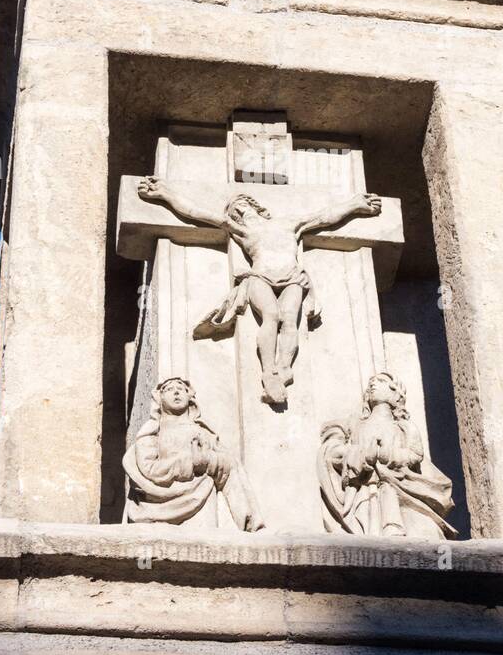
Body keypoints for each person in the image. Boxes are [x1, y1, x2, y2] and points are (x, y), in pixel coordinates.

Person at [138, 176, 381, 404]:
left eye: (242, 206)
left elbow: (324, 217)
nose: (239, 211)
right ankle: (268, 371)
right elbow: (196, 212)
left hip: (293, 277)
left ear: (257, 208)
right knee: (271, 316)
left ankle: (285, 369)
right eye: (235, 211)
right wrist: (165, 194)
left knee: (289, 319)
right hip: (260, 277)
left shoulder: (289, 224)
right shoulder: (242, 231)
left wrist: (354, 204)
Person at [318, 372, 456, 539]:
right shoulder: (355, 424)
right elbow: (334, 449)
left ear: (395, 394)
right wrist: (360, 455)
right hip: (364, 490)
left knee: (422, 530)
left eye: (381, 381)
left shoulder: (404, 427)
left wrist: (385, 454)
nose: (373, 384)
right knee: (369, 531)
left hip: (399, 486)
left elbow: (415, 454)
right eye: (371, 382)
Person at [123, 376, 263, 530]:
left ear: (189, 397)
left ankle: (251, 528)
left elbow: (230, 467)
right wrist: (189, 462)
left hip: (201, 501)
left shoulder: (203, 432)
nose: (176, 392)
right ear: (160, 399)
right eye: (169, 389)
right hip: (155, 505)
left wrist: (208, 460)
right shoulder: (152, 432)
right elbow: (148, 469)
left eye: (181, 389)